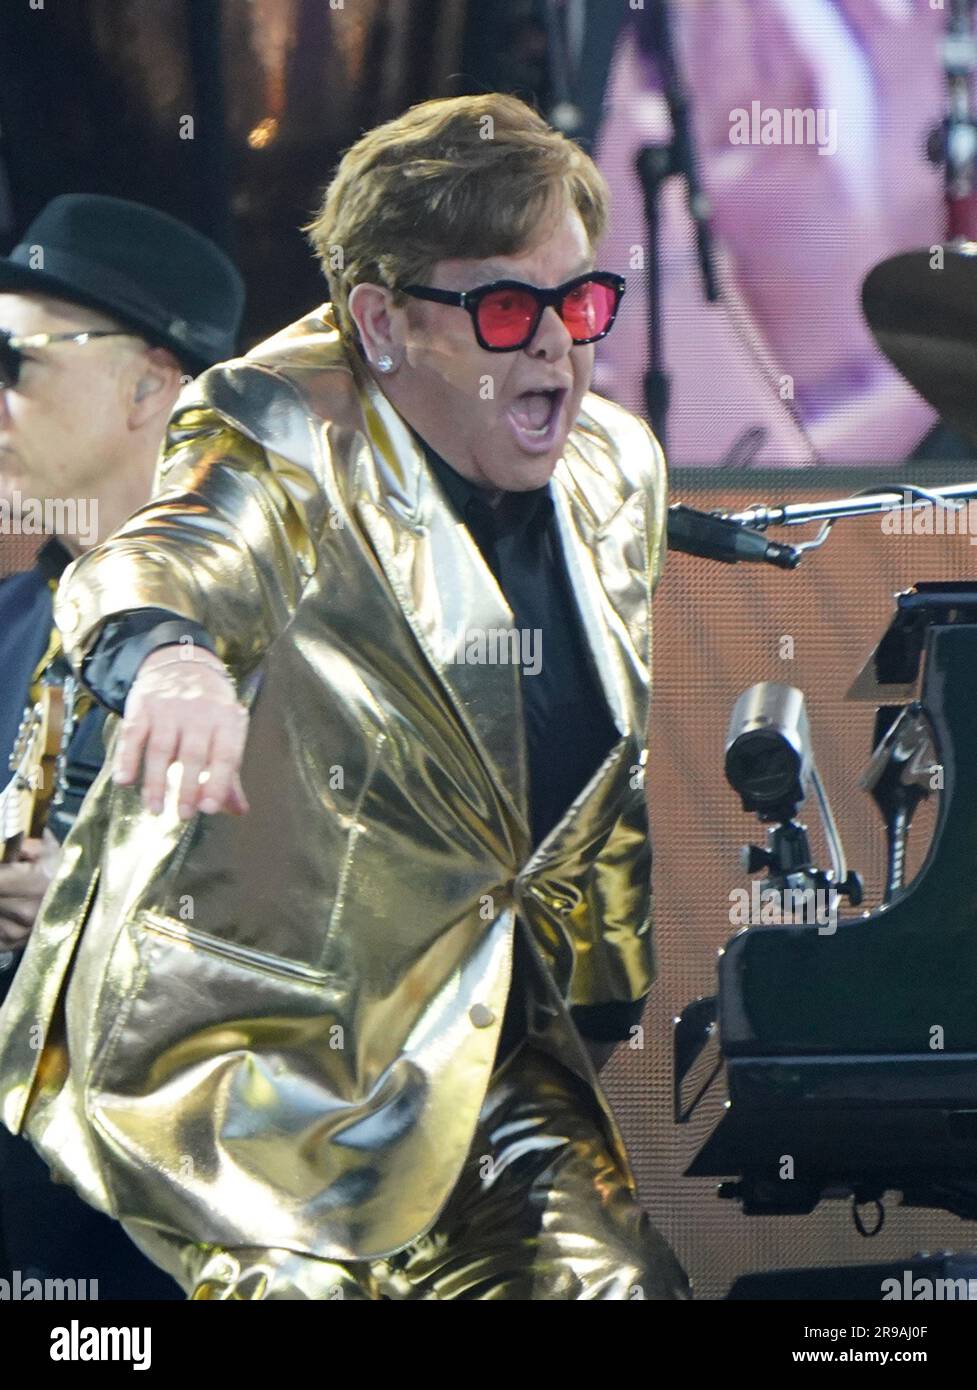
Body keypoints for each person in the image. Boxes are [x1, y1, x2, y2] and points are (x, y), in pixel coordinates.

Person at [0, 96, 689, 1300]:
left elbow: (589, 753)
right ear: (378, 320)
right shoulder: (281, 421)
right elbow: (158, 556)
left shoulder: (614, 462)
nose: (558, 349)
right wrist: (172, 661)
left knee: (621, 1287)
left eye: (578, 301)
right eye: (505, 309)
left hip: (479, 1040)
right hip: (255, 1062)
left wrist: (606, 970)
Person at [0, 194, 244, 1298]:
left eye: (18, 357)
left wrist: (89, 923)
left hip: (191, 1240)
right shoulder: (13, 623)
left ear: (152, 385)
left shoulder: (280, 633)